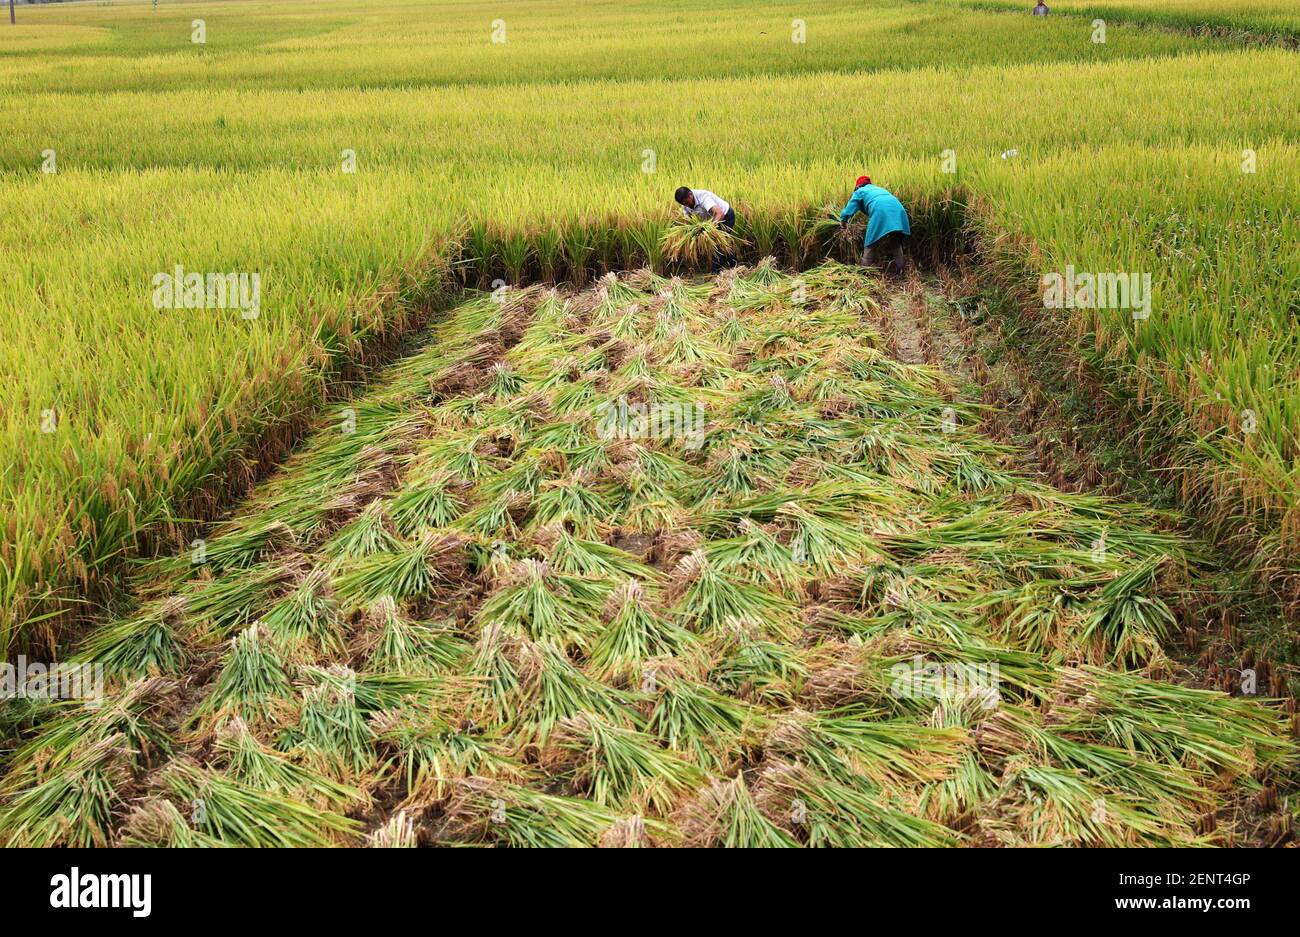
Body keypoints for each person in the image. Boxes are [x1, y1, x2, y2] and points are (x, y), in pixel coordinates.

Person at [838, 175, 911, 276]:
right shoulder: (879, 189)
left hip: (880, 212)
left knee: (870, 243)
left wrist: (843, 222)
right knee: (896, 243)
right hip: (899, 211)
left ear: (858, 186)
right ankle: (901, 271)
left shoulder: (860, 191)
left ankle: (864, 273)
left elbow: (848, 210)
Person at [675, 186, 738, 270]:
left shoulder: (704, 197)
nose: (687, 206)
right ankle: (734, 264)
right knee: (722, 244)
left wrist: (710, 228)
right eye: (684, 204)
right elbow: (688, 220)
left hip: (725, 217)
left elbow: (719, 213)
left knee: (718, 244)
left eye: (687, 202)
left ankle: (716, 271)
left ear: (690, 195)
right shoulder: (685, 204)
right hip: (710, 220)